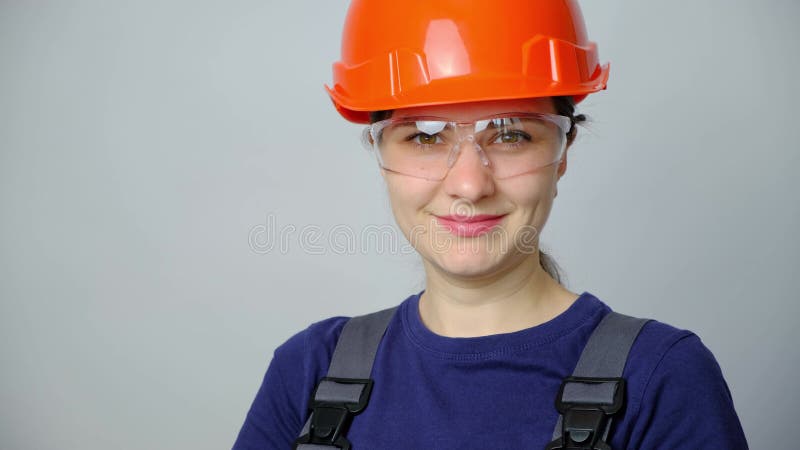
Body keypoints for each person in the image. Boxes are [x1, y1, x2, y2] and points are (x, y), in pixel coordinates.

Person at [233, 1, 748, 448]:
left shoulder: (661, 378)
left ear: (562, 154)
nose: (469, 185)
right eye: (425, 136)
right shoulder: (309, 371)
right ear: (378, 152)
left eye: (510, 135)